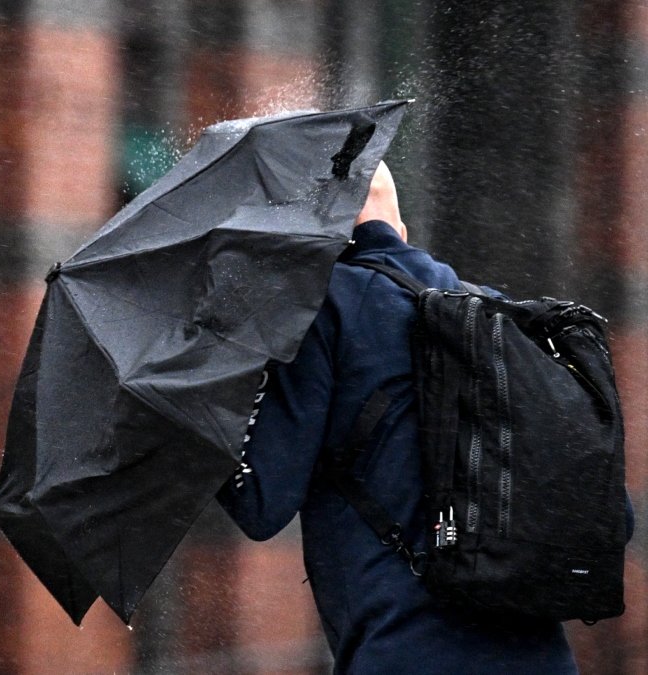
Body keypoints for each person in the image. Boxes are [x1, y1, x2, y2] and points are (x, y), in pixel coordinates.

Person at [216, 162, 581, 673]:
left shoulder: (323, 310)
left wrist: (206, 399)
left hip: (404, 650)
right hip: (542, 656)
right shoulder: (494, 309)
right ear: (402, 232)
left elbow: (258, 502)